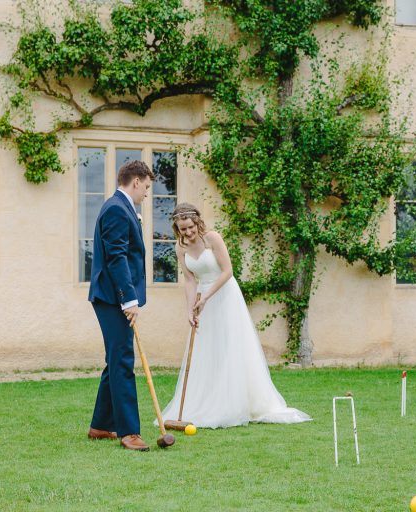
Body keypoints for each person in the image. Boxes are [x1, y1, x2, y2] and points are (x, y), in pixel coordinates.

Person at [159, 203, 311, 428]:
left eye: (190, 227)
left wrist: (206, 297)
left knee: (230, 348)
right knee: (208, 350)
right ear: (177, 228)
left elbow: (228, 272)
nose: (188, 232)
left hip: (224, 295)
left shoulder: (212, 238)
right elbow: (190, 280)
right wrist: (190, 309)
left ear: (197, 222)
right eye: (183, 229)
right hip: (203, 301)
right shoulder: (180, 248)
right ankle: (208, 403)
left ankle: (236, 404)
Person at [87, 160, 155, 451]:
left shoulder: (121, 207)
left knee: (115, 360)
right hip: (113, 297)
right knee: (123, 360)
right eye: (147, 187)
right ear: (136, 181)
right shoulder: (116, 208)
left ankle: (101, 425)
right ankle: (129, 432)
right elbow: (116, 257)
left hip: (114, 296)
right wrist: (128, 299)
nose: (147, 194)